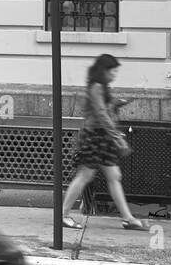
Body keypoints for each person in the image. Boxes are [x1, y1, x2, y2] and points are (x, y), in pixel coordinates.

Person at [60, 54, 144, 230]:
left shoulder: (101, 86)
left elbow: (105, 108)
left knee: (113, 176)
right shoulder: (97, 87)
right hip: (95, 138)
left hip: (101, 137)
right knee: (86, 175)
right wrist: (117, 136)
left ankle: (128, 218)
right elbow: (101, 113)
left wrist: (121, 101)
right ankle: (63, 214)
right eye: (113, 71)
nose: (115, 74)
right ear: (104, 70)